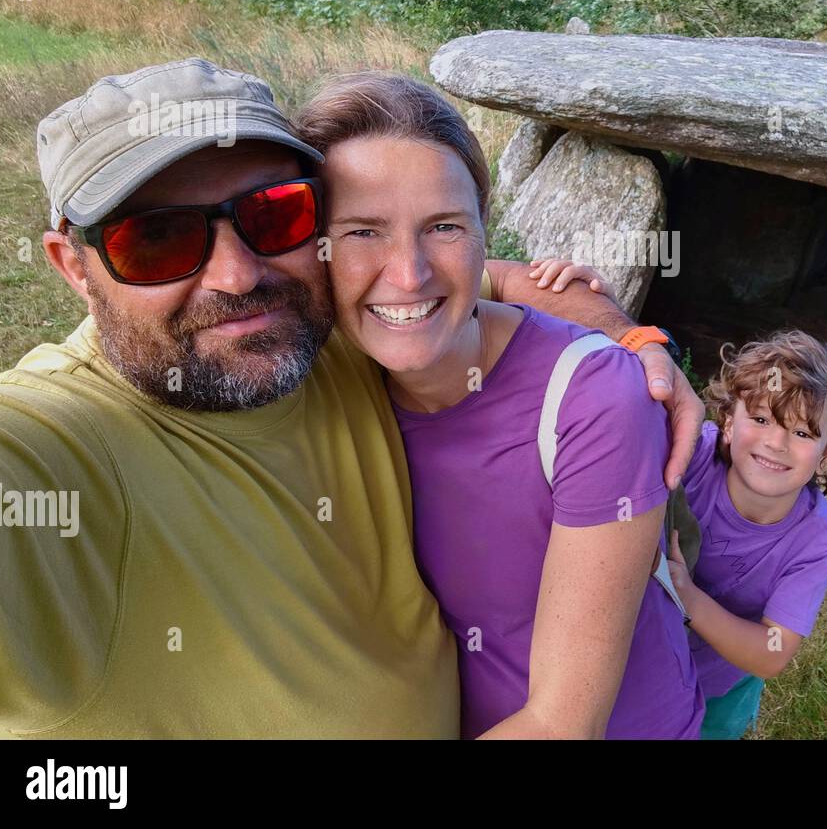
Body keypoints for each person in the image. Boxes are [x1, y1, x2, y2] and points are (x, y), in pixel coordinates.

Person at [0, 57, 702, 739]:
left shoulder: (324, 326)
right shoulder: (49, 449)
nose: (236, 275)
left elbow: (465, 277)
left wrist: (631, 342)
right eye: (157, 238)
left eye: (271, 214)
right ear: (73, 266)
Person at [294, 72, 705, 739]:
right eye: (362, 232)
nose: (409, 274)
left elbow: (562, 723)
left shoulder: (594, 398)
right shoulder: (325, 370)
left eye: (444, 227)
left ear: (484, 230)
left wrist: (635, 339)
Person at [666, 330, 827, 740]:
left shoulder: (819, 537)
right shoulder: (692, 453)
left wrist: (685, 593)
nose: (776, 443)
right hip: (644, 656)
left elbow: (772, 654)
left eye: (803, 433)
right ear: (729, 422)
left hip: (721, 682)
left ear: (826, 456)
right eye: (761, 418)